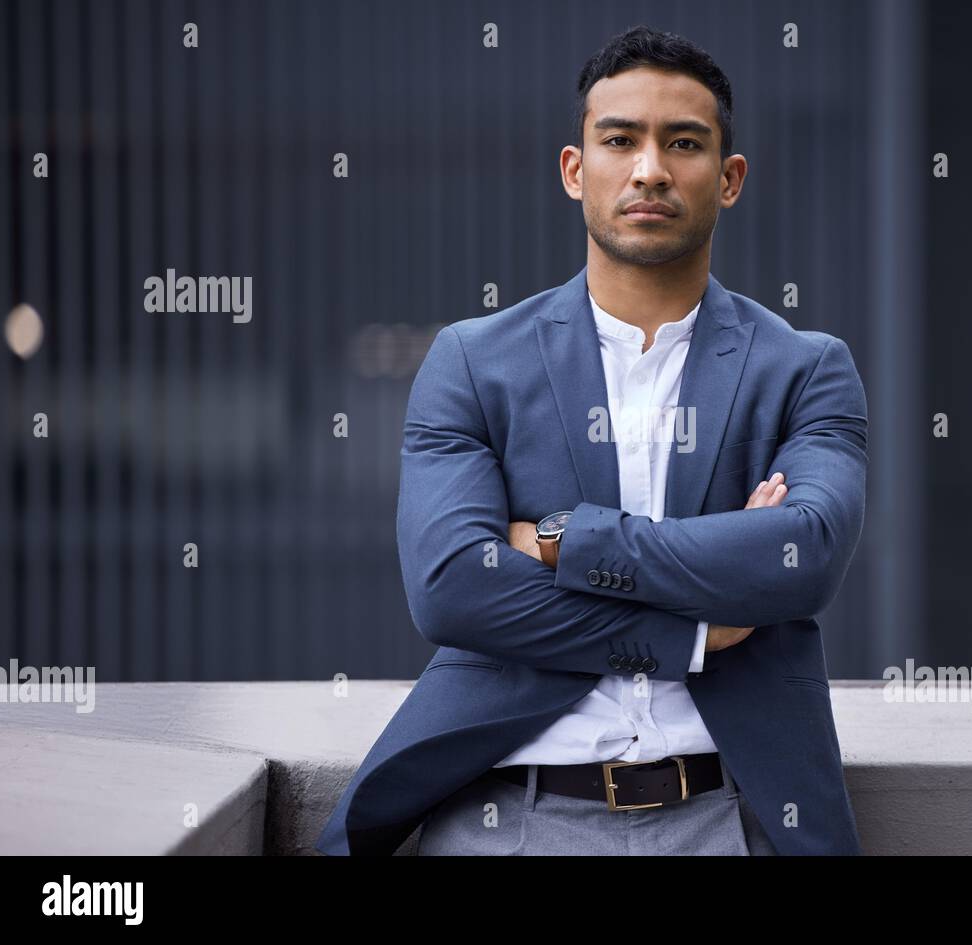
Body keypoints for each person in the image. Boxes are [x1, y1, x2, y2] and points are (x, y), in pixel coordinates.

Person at [316, 23, 868, 856]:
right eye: (620, 140)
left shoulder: (805, 370)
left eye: (683, 143)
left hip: (733, 819)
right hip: (504, 820)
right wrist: (692, 628)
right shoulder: (473, 362)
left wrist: (560, 538)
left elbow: (806, 553)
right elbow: (451, 587)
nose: (649, 168)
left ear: (729, 180)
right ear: (576, 170)